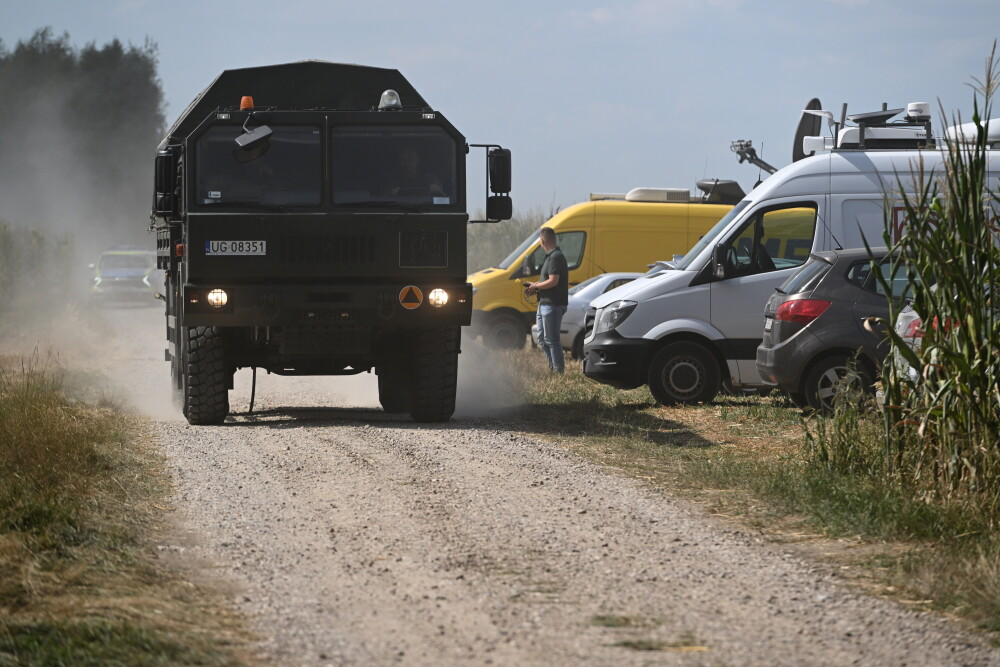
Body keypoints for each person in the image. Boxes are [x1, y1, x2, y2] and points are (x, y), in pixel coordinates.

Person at [525, 227, 569, 373]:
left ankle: (558, 372)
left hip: (553, 304)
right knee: (543, 340)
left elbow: (553, 281)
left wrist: (535, 286)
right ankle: (552, 369)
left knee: (552, 340)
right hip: (544, 303)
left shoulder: (556, 257)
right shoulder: (550, 257)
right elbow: (548, 280)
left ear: (542, 241)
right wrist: (535, 287)